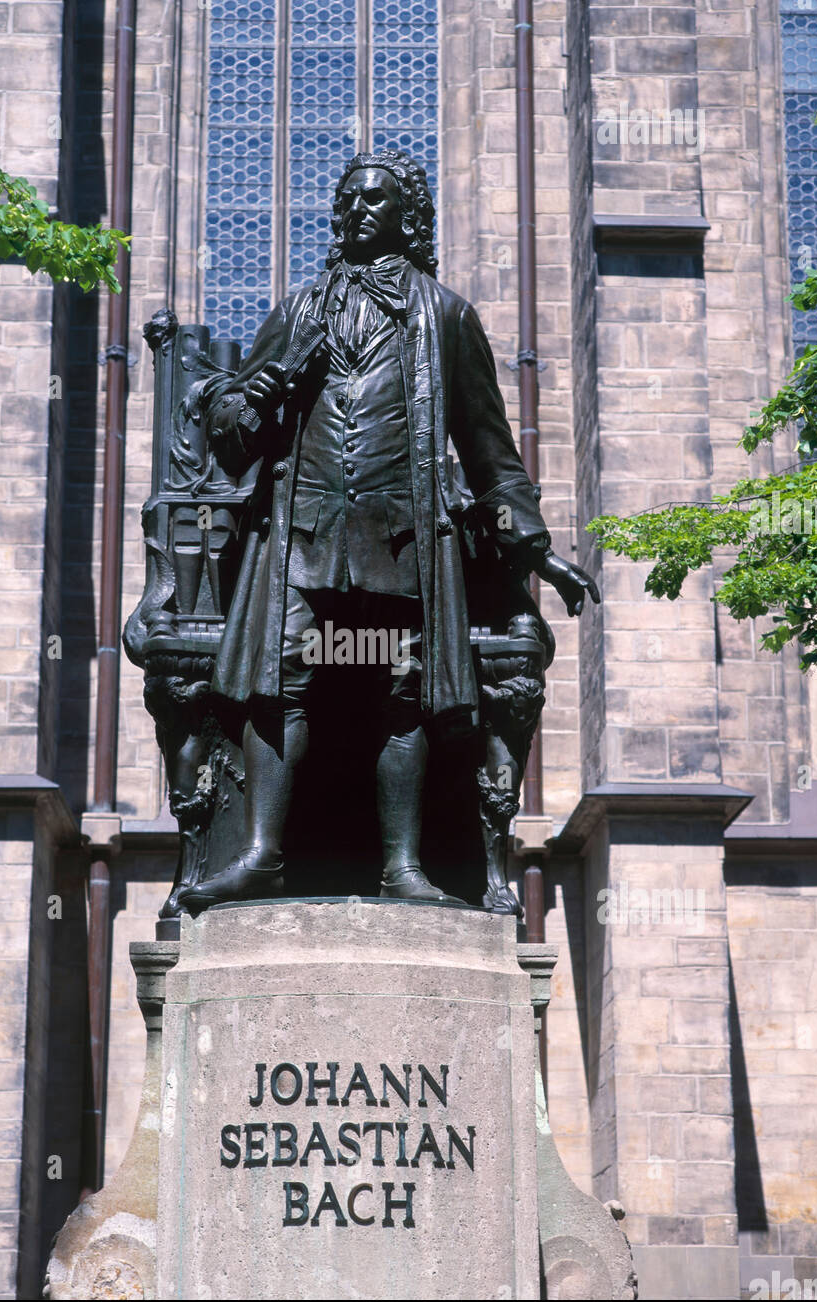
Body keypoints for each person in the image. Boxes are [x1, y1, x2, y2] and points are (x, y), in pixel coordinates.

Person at [181, 150, 597, 912]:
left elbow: (490, 455)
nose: (356, 211)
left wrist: (541, 555)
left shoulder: (445, 315)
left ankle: (402, 867)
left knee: (401, 691)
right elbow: (233, 437)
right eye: (346, 201)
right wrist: (270, 383)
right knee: (279, 680)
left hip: (402, 537)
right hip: (303, 536)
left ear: (408, 213)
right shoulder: (300, 310)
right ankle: (263, 856)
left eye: (373, 199)